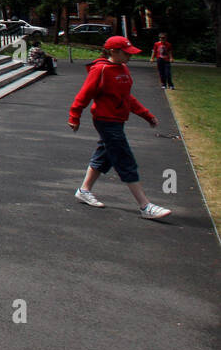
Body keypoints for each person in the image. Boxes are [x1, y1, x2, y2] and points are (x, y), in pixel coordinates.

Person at [69, 37, 171, 220]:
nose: (129, 56)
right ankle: (144, 205)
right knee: (124, 158)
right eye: (126, 53)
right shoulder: (100, 70)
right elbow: (84, 94)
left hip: (117, 120)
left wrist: (146, 115)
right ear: (113, 52)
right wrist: (74, 117)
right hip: (105, 120)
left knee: (105, 154)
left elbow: (127, 98)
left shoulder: (122, 69)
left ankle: (84, 190)